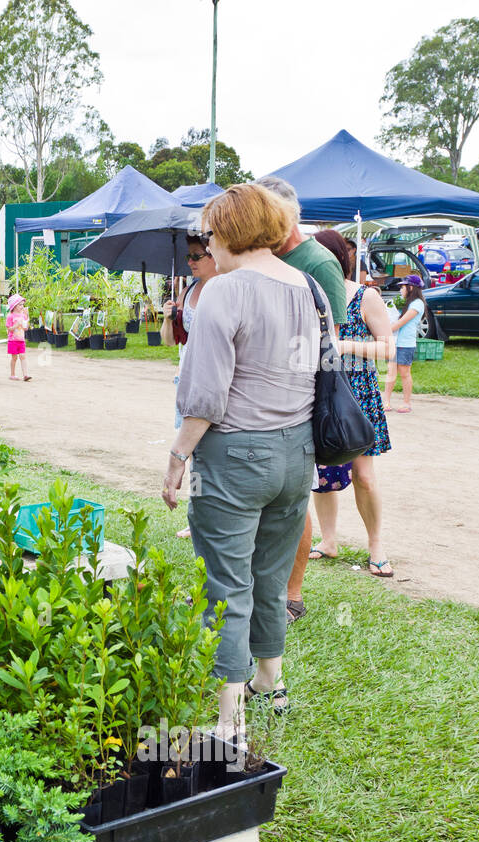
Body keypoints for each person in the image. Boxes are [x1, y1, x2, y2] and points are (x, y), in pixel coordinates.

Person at [163, 183, 320, 737]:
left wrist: (178, 455)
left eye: (206, 235)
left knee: (227, 585)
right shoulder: (305, 285)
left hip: (234, 453)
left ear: (226, 231)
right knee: (270, 578)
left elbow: (205, 393)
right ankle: (268, 680)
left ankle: (230, 723)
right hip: (297, 451)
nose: (206, 246)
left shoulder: (224, 293)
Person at [255, 175, 347, 627]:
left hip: (303, 396)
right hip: (269, 397)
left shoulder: (318, 261)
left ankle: (293, 594)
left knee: (297, 499)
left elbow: (330, 339)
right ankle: (268, 586)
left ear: (289, 217)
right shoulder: (268, 258)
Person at [307, 229, 395, 578]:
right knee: (322, 474)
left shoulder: (364, 296)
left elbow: (388, 348)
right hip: (320, 390)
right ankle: (329, 541)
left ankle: (376, 546)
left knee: (364, 476)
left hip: (357, 393)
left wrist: (345, 346)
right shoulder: (308, 296)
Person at [163, 233, 220, 539]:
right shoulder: (188, 290)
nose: (191, 262)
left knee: (213, 453)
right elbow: (171, 340)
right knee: (193, 454)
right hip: (186, 378)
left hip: (211, 381)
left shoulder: (224, 289)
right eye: (189, 256)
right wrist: (168, 317)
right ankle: (196, 513)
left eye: (197, 256)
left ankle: (214, 514)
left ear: (214, 255)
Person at [384, 275, 424, 412]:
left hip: (406, 343)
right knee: (391, 371)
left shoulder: (417, 304)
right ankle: (386, 401)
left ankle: (407, 403)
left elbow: (401, 322)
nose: (401, 289)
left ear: (411, 287)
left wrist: (382, 330)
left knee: (404, 373)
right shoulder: (406, 302)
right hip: (395, 341)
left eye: (402, 287)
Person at [6, 294, 29, 380]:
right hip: (13, 341)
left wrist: (26, 318)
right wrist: (16, 325)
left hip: (21, 340)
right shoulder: (10, 316)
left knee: (23, 356)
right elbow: (9, 329)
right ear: (14, 306)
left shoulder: (23, 316)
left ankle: (25, 375)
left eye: (23, 304)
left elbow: (25, 328)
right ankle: (12, 374)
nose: (22, 306)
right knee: (14, 357)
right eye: (20, 304)